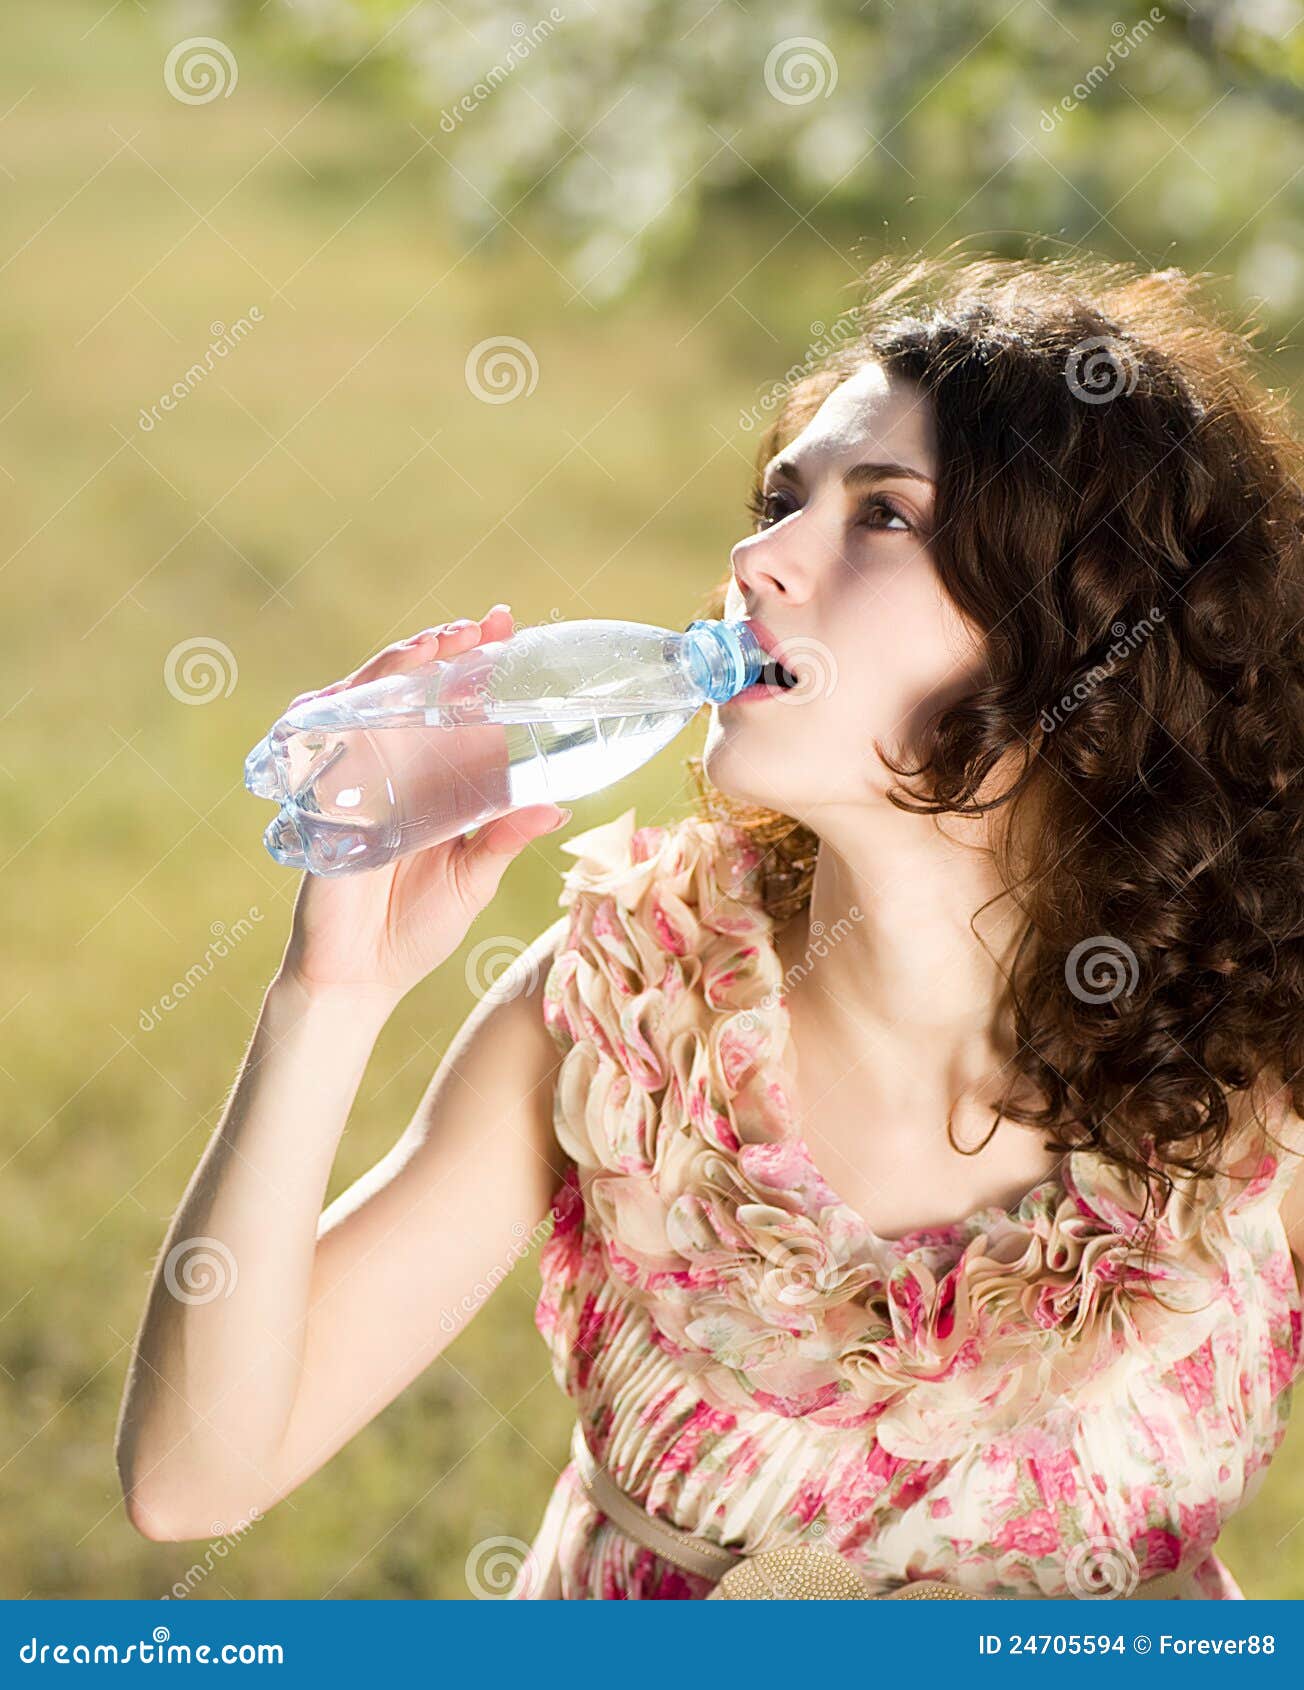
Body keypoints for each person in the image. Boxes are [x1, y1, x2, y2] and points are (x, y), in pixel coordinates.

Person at [116, 251, 1304, 1601]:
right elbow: (192, 1478)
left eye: (882, 518)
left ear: (1084, 638)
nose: (757, 559)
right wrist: (326, 994)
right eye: (779, 500)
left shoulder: (1254, 1071)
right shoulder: (637, 1005)